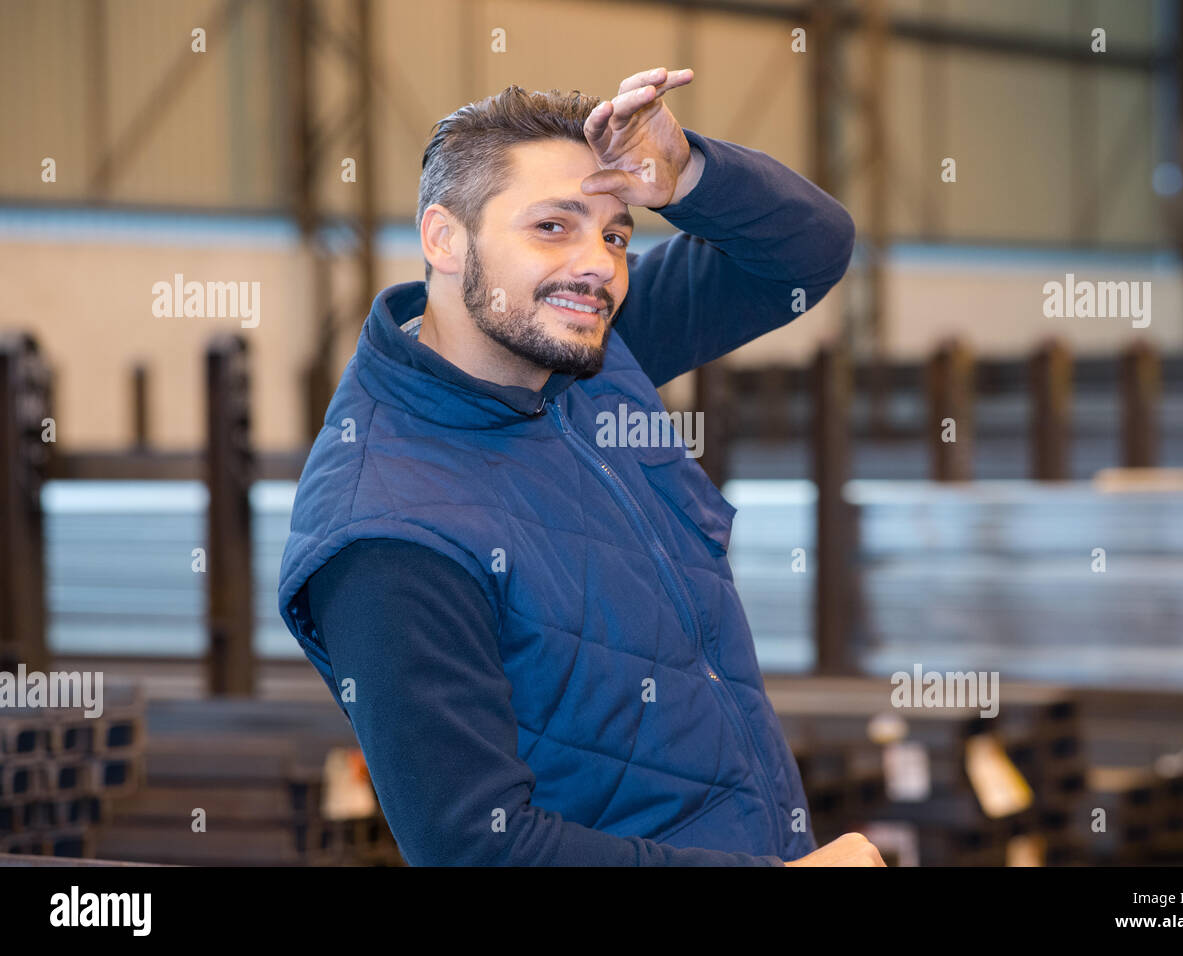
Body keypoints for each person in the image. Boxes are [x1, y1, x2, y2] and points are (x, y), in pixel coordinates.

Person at [278, 66, 884, 867]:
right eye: (553, 227)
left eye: (615, 233)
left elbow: (808, 255)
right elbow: (477, 851)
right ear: (444, 238)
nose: (598, 263)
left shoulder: (586, 354)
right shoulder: (388, 532)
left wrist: (689, 174)